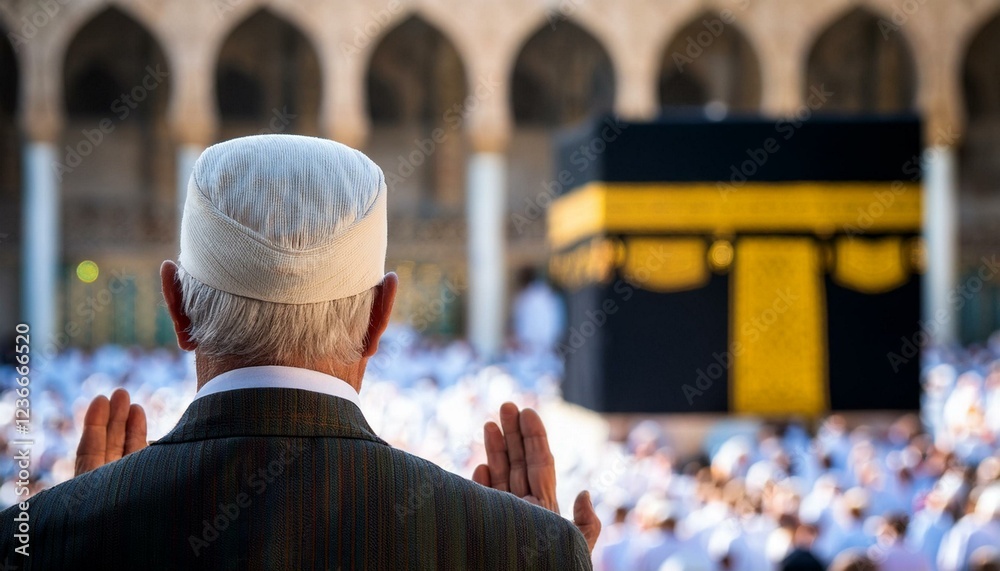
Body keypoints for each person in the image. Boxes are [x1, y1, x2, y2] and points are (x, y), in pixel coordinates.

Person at [0, 135, 599, 569]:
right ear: (380, 317)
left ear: (176, 308)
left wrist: (86, 531)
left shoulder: (32, 541)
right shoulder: (513, 548)